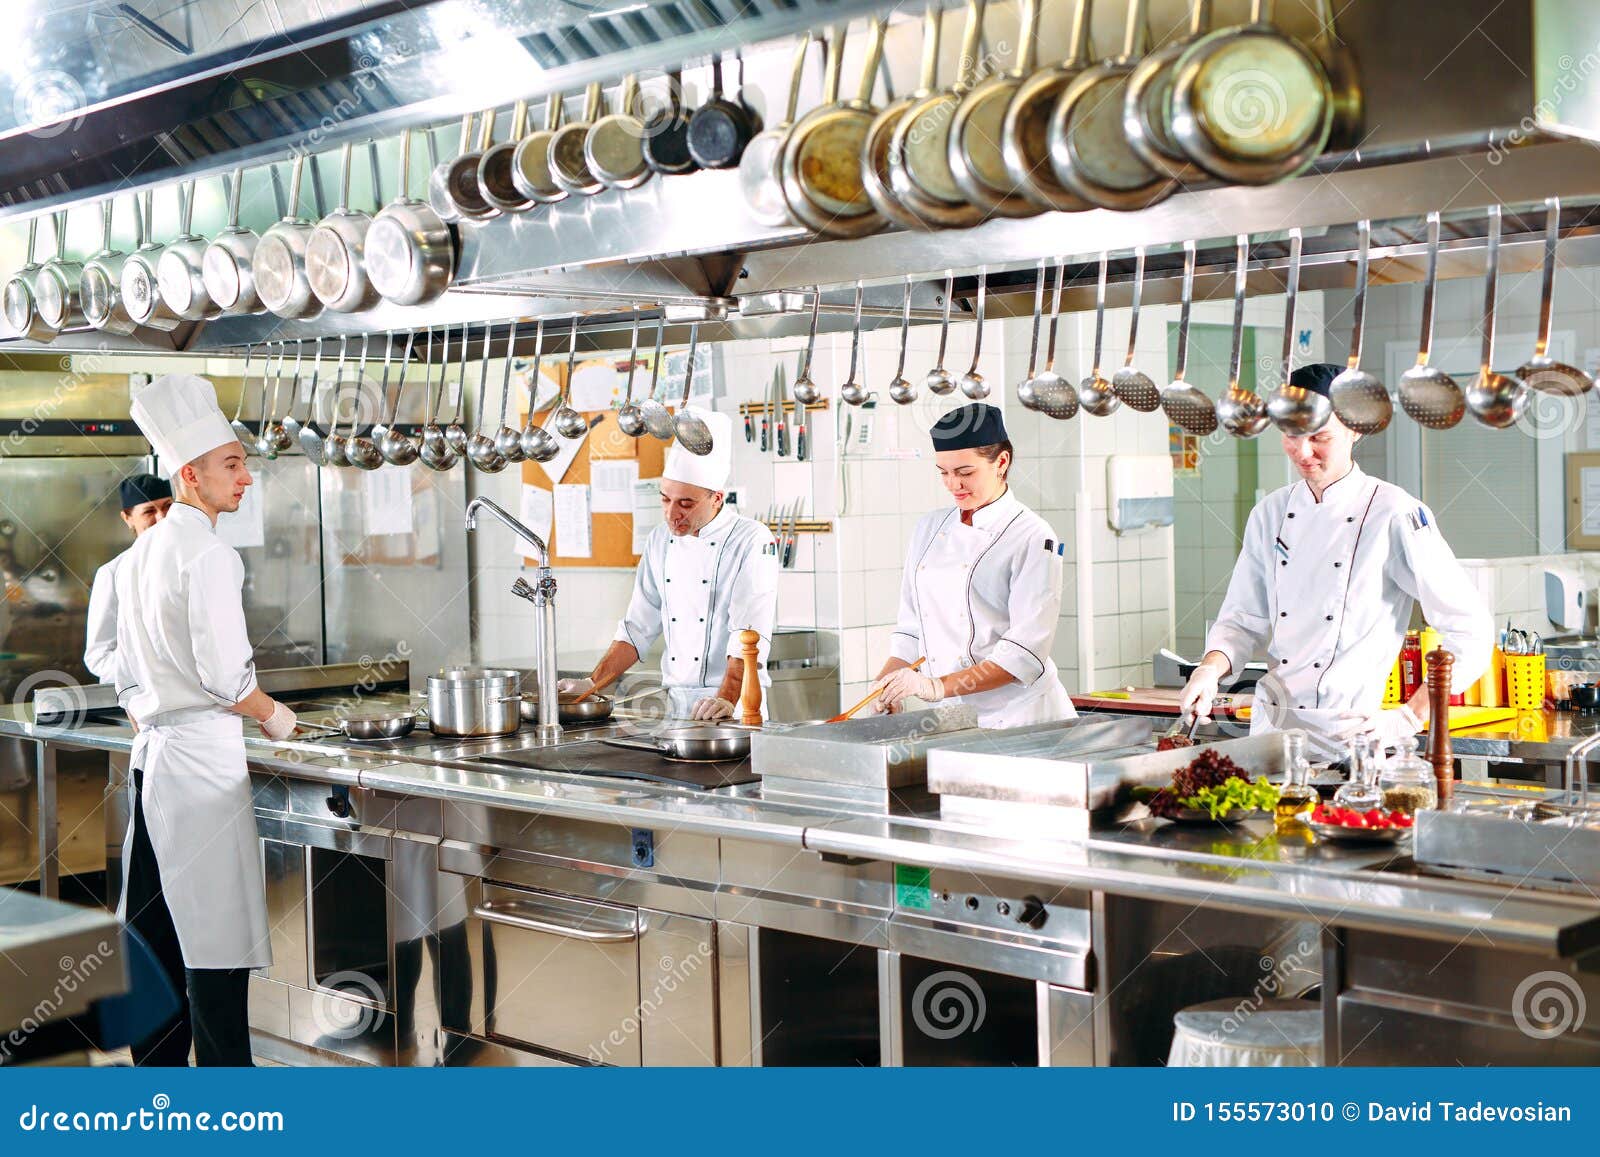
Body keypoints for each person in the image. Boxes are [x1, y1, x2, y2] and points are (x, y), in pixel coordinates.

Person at [115, 374, 298, 1067]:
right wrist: (278, 717)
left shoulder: (142, 553)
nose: (246, 478)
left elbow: (131, 671)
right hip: (199, 768)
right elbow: (228, 680)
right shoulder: (208, 552)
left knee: (159, 937)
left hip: (155, 765)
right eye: (233, 465)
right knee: (215, 949)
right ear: (191, 476)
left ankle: (160, 1097)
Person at [1179, 363, 1493, 757]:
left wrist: (1410, 716)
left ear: (1355, 428)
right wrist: (1209, 671)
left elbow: (1472, 630)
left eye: (1320, 437)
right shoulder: (1270, 513)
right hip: (1270, 732)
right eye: (1291, 435)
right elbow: (1243, 619)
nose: (1303, 451)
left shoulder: (1394, 513)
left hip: (1354, 737)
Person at [560, 409, 779, 720]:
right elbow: (637, 627)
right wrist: (592, 683)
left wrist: (727, 698)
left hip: (737, 704)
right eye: (665, 499)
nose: (672, 514)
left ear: (717, 498)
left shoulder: (752, 540)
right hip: (676, 706)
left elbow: (748, 633)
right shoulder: (660, 540)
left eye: (686, 504)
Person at [866, 402, 1073, 727]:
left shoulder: (1032, 535)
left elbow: (1022, 652)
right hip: (957, 716)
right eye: (944, 473)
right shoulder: (929, 528)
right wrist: (887, 684)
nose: (953, 484)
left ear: (1001, 462)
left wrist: (935, 686)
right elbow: (911, 628)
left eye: (965, 473)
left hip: (1023, 717)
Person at [83, 474, 173, 683]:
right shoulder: (113, 574)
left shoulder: (191, 562)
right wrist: (153, 668)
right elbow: (98, 657)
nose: (162, 517)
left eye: (167, 506)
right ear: (128, 518)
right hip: (136, 698)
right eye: (149, 511)